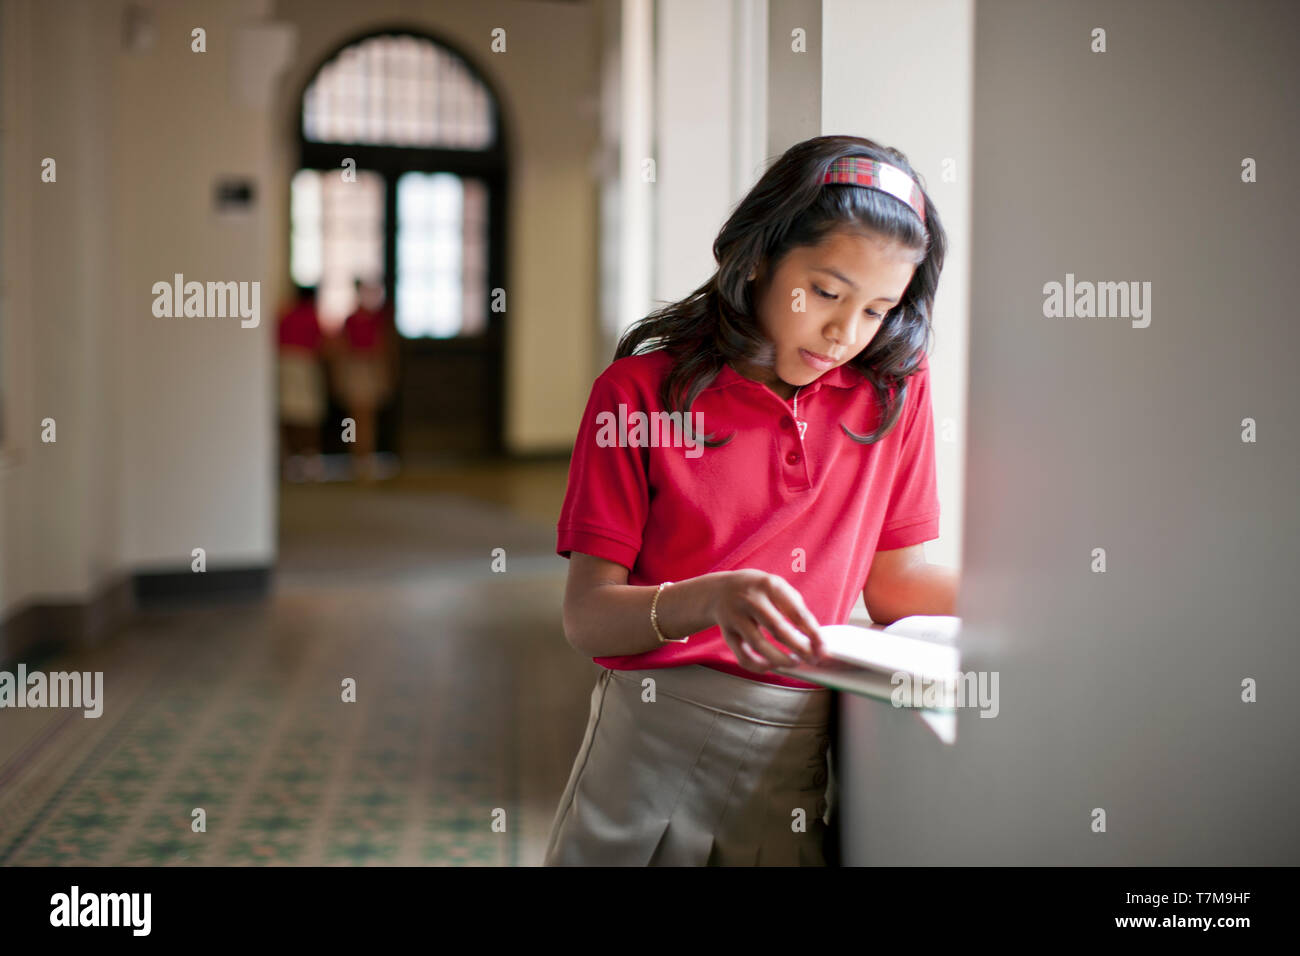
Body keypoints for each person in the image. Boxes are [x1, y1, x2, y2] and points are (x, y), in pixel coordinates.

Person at [544, 135, 959, 866]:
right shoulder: (639, 395)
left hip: (794, 748)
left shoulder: (894, 390)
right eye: (826, 292)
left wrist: (1038, 600)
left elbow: (897, 584)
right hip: (649, 745)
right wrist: (707, 600)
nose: (845, 333)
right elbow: (587, 618)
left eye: (878, 309)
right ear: (759, 256)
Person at [334, 278, 397, 481]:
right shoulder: (350, 320)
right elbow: (342, 347)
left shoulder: (376, 320)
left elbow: (382, 347)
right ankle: (357, 456)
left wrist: (384, 373)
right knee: (354, 417)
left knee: (368, 417)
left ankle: (367, 456)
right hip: (355, 368)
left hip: (370, 368)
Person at [276, 284, 326, 481]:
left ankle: (291, 459)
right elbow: (321, 344)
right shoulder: (310, 317)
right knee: (307, 415)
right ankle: (308, 459)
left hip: (287, 367)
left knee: (289, 413)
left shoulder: (286, 316)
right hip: (304, 366)